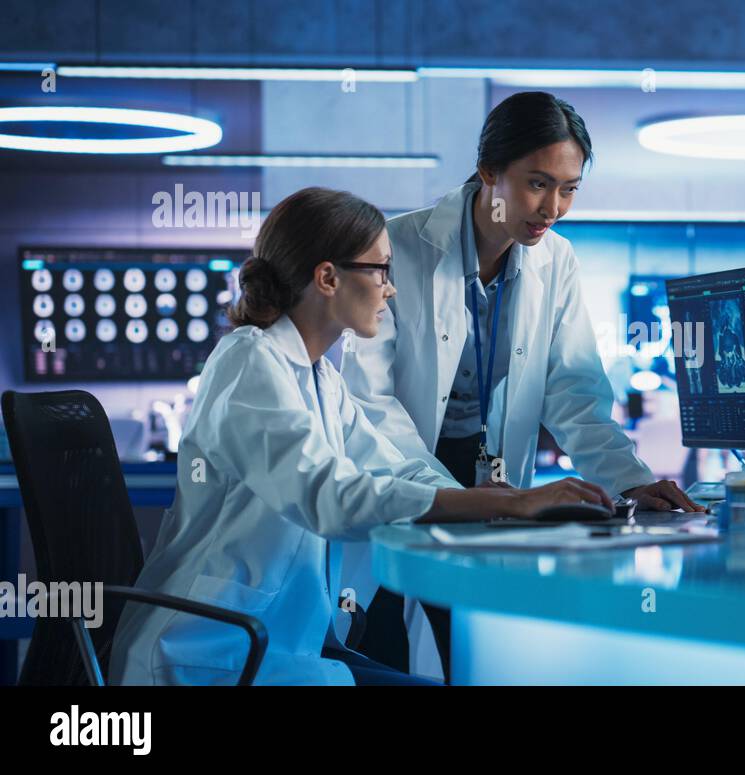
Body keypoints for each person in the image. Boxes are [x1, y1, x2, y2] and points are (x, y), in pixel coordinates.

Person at [109, 187, 608, 685]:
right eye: (381, 270)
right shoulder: (250, 360)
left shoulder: (321, 379)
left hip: (276, 648)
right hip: (206, 656)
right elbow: (330, 498)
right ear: (328, 277)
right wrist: (491, 505)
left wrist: (501, 500)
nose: (390, 290)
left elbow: (391, 464)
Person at [341, 91, 704, 679]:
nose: (553, 207)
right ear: (489, 171)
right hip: (396, 465)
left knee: (473, 643)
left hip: (491, 471)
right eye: (538, 183)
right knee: (379, 635)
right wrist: (465, 499)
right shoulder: (396, 246)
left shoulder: (555, 261)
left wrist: (632, 480)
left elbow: (575, 395)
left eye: (569, 188)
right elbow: (371, 402)